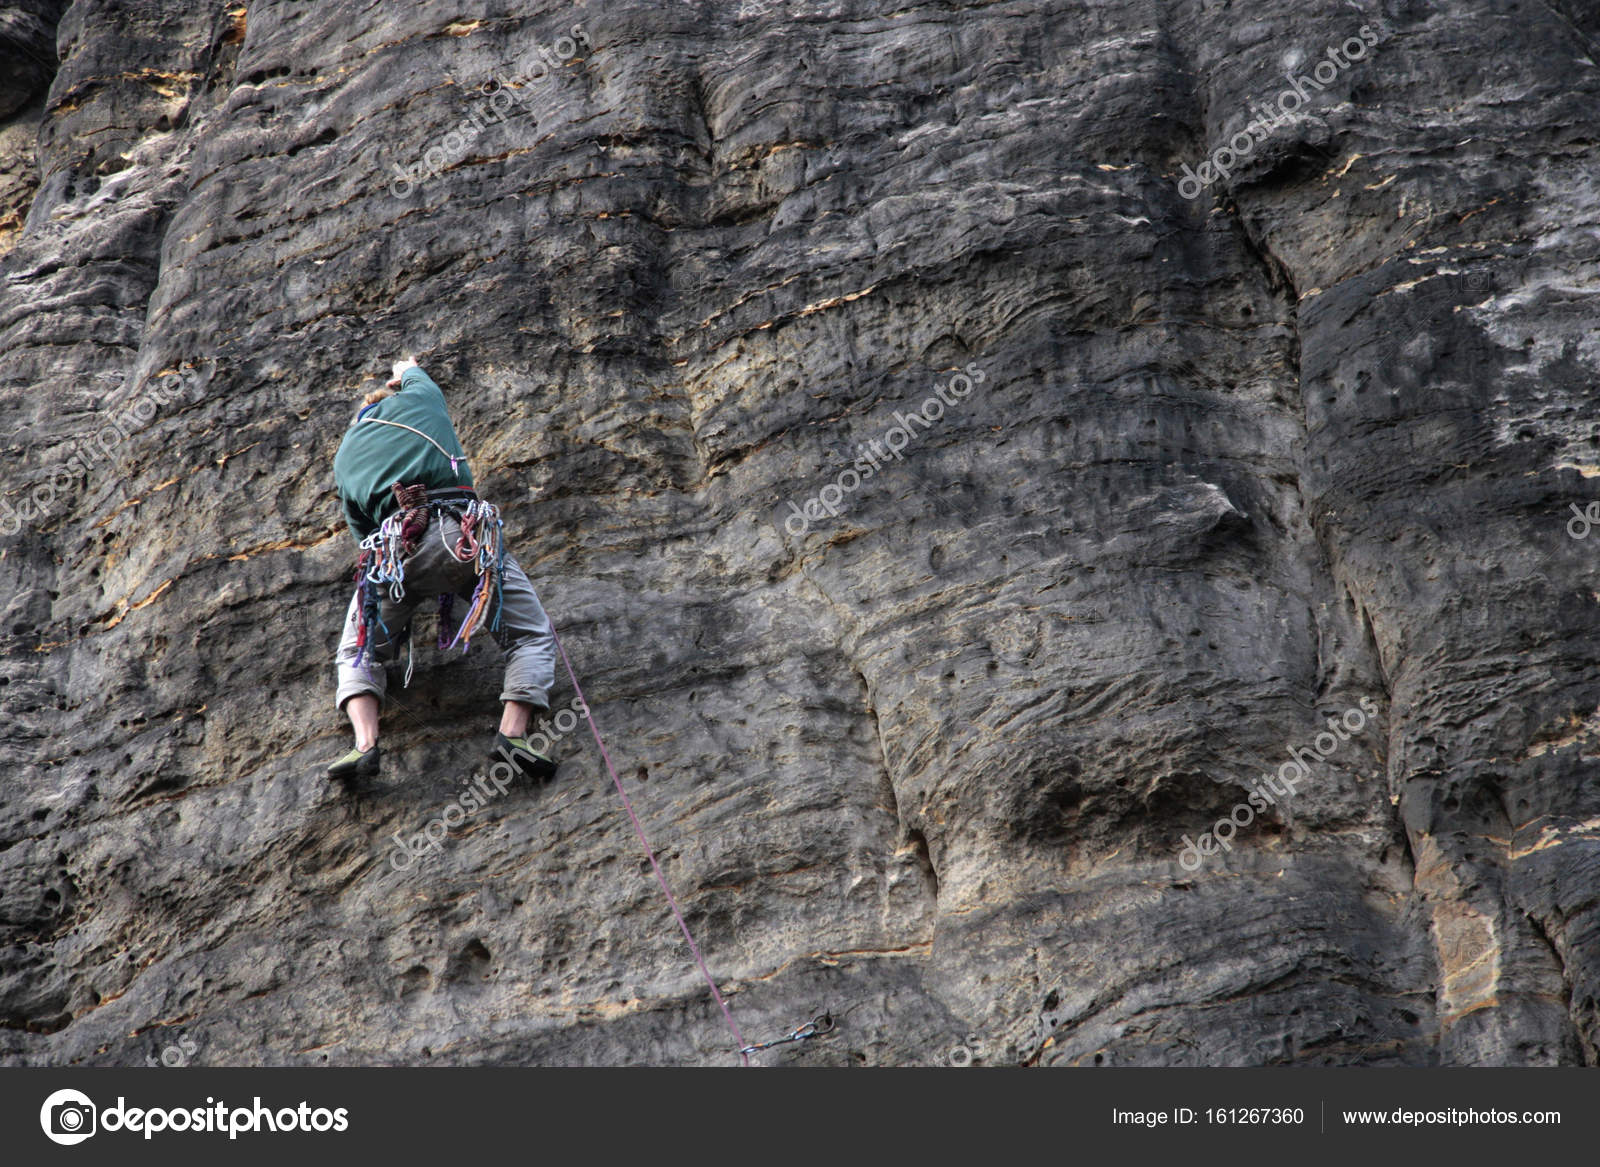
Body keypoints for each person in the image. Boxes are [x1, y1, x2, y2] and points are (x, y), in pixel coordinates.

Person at [325, 357, 558, 783]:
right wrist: (403, 369)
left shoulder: (344, 457)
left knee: (359, 649)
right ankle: (513, 734)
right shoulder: (418, 402)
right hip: (460, 535)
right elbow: (414, 372)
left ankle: (363, 745)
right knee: (528, 634)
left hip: (393, 552)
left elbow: (362, 534)